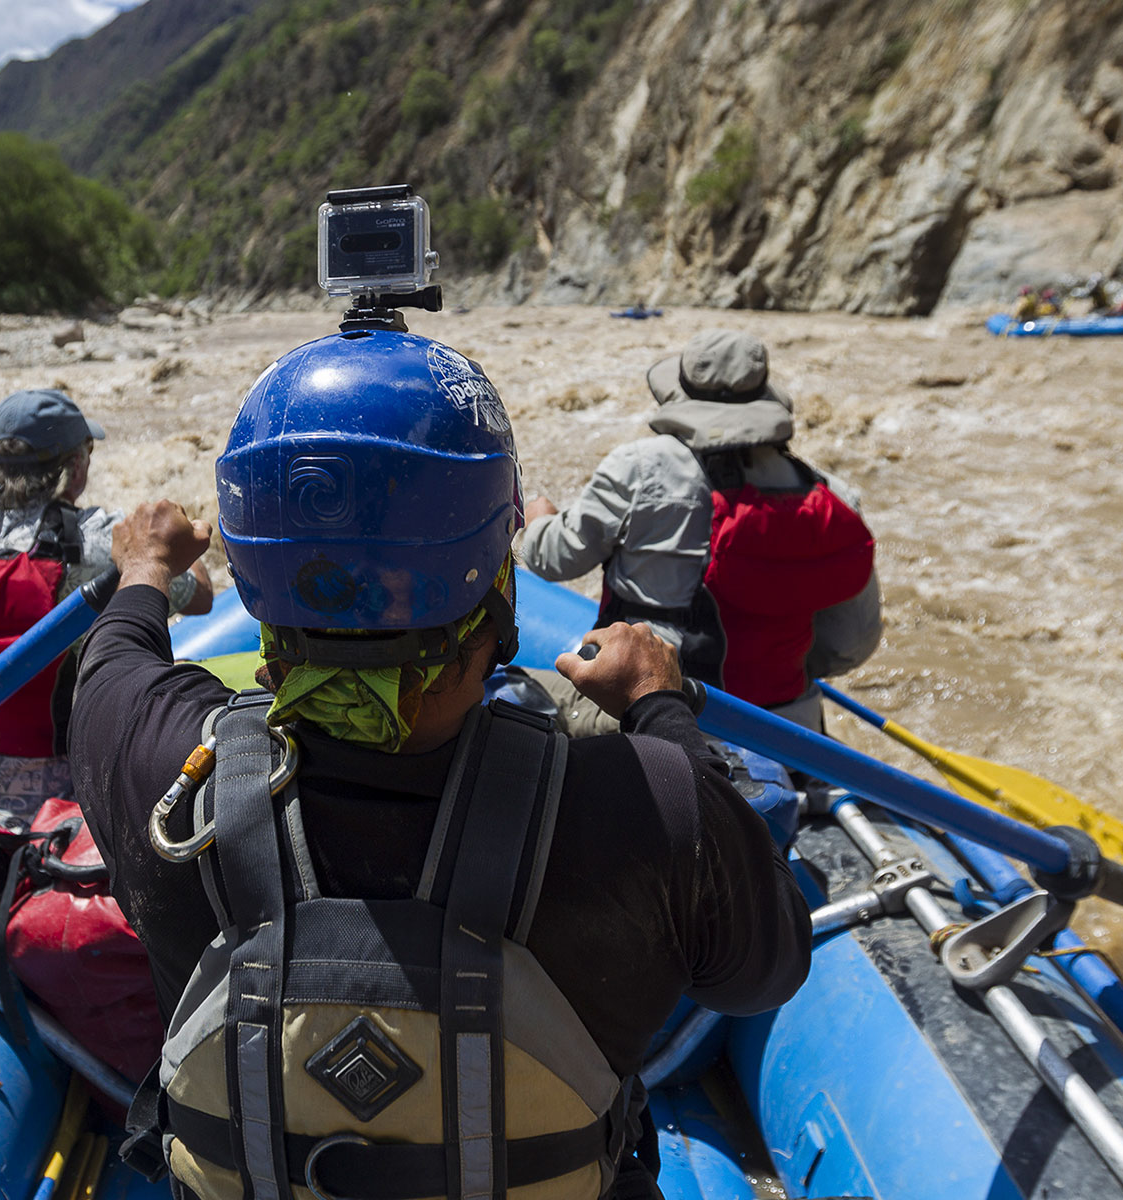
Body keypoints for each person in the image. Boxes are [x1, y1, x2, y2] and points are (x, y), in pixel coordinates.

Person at [69, 329, 810, 1200]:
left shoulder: (152, 756)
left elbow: (116, 655)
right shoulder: (647, 803)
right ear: (497, 591)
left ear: (260, 594)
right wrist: (659, 705)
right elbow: (763, 970)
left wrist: (147, 567)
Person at [0, 387, 211, 828]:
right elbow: (200, 600)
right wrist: (172, 541)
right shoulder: (99, 542)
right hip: (78, 803)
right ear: (75, 466)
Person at [522, 329, 879, 732]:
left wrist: (539, 521)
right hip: (789, 729)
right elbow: (852, 645)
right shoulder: (833, 497)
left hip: (657, 717)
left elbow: (551, 561)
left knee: (514, 693)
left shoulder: (639, 467)